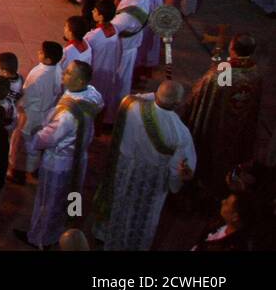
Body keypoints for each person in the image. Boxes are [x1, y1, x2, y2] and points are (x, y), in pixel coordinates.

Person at [92, 81, 196, 250]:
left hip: (125, 170)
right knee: (141, 218)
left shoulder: (132, 107)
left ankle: (108, 239)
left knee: (120, 206)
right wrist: (175, 184)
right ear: (178, 103)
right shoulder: (180, 132)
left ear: (156, 95)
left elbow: (135, 97)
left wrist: (155, 94)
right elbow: (180, 169)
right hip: (152, 180)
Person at [18, 60, 103, 248]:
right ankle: (71, 227)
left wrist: (32, 140)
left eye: (70, 72)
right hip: (79, 157)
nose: (64, 72)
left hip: (58, 163)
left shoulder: (67, 115)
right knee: (73, 194)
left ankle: (41, 238)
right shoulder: (92, 94)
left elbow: (49, 137)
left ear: (80, 81)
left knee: (49, 201)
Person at [186, 34, 263, 195]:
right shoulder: (255, 72)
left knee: (213, 153)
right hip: (240, 124)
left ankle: (207, 186)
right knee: (233, 152)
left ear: (232, 48)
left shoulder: (225, 71)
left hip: (217, 125)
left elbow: (204, 92)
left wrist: (214, 69)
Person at [8, 41, 63, 180]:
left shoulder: (39, 76)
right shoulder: (57, 69)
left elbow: (28, 96)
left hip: (32, 114)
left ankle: (18, 174)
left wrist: (18, 104)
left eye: (41, 52)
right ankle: (34, 169)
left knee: (24, 145)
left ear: (48, 59)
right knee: (37, 143)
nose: (38, 52)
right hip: (46, 112)